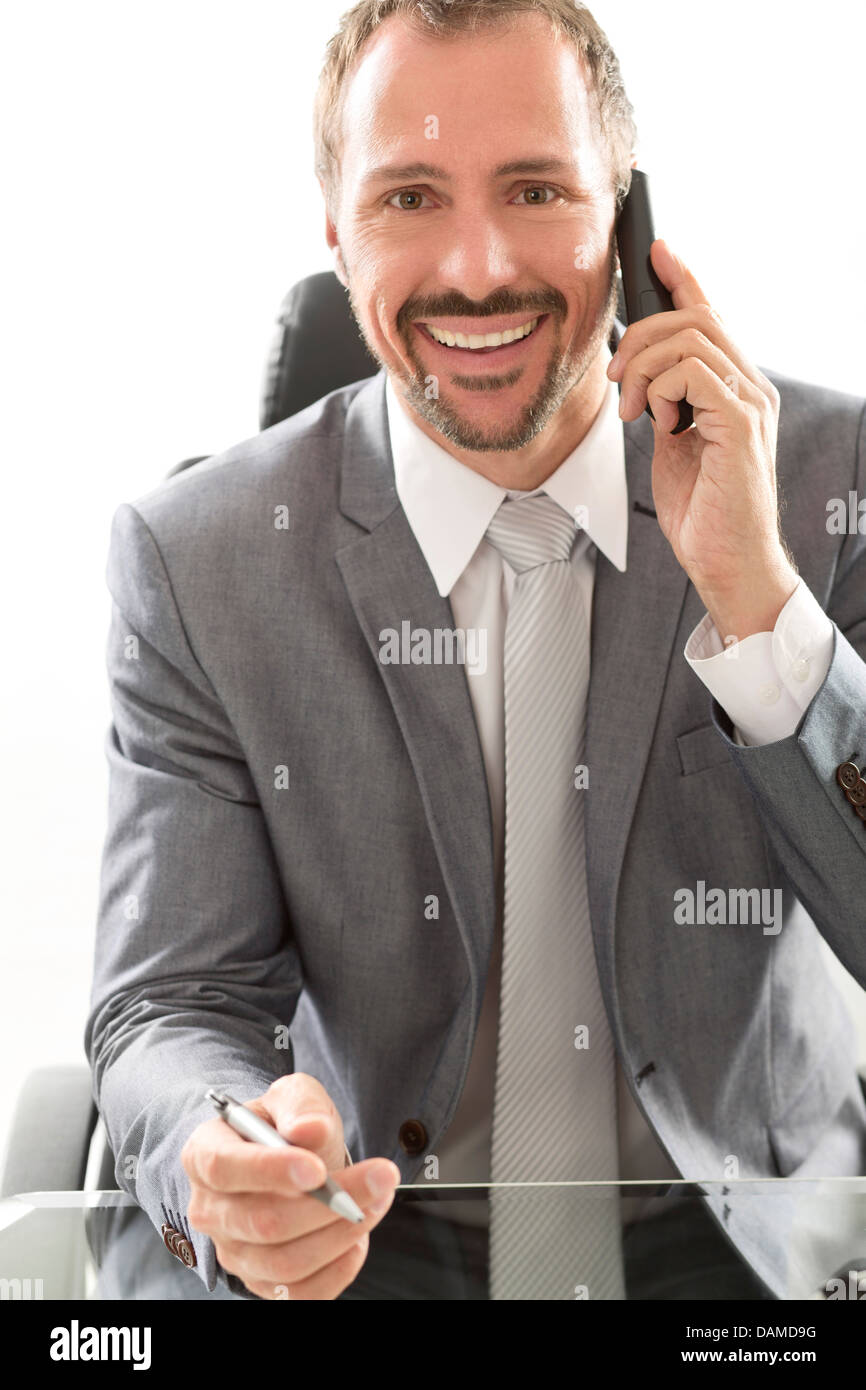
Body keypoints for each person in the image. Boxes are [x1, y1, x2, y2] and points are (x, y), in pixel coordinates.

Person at [86, 0, 866, 1301]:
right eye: (406, 198)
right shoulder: (200, 560)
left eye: (534, 187)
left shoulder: (820, 482)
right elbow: (168, 1004)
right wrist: (227, 1153)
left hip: (747, 1250)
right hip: (368, 1249)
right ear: (334, 230)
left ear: (623, 218)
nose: (478, 262)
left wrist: (754, 600)